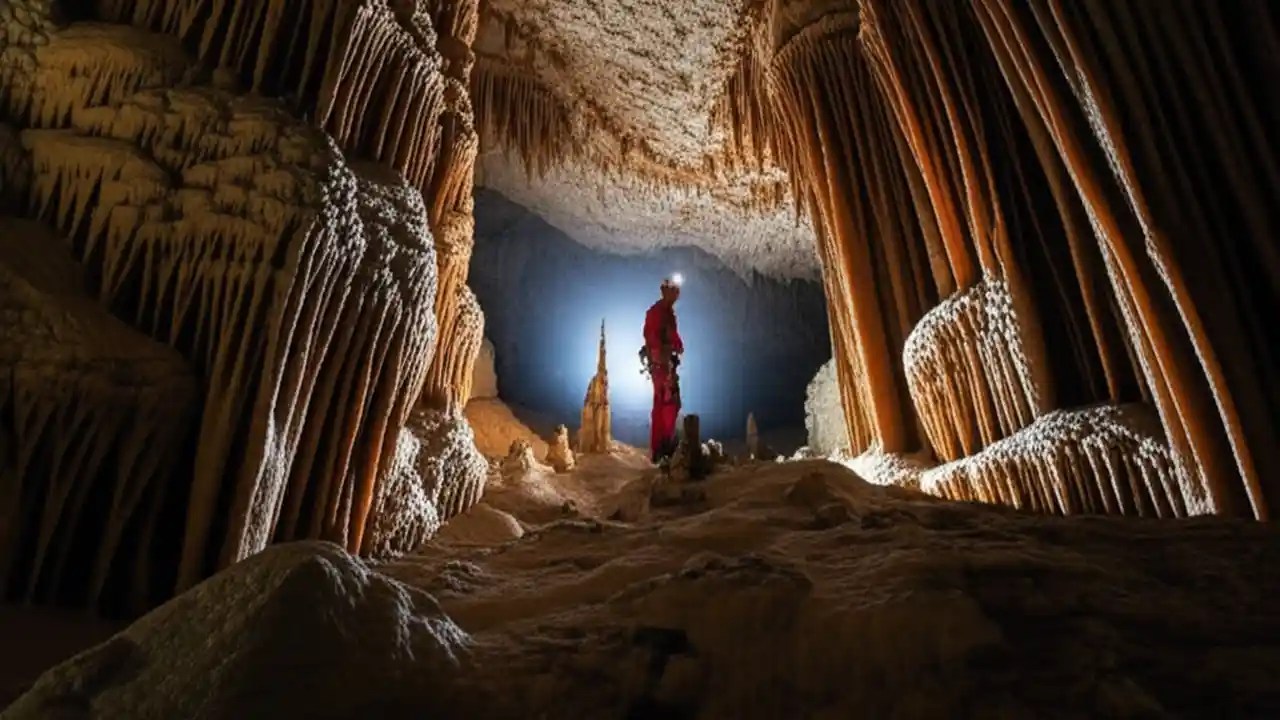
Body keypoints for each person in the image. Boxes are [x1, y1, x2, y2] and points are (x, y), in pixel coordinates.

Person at [643, 276, 684, 463]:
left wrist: (678, 345)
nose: (676, 295)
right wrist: (664, 357)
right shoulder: (657, 312)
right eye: (673, 291)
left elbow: (673, 336)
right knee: (665, 402)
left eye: (677, 291)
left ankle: (666, 443)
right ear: (665, 291)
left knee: (669, 402)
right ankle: (661, 447)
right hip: (661, 365)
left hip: (666, 364)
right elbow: (653, 338)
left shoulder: (667, 313)